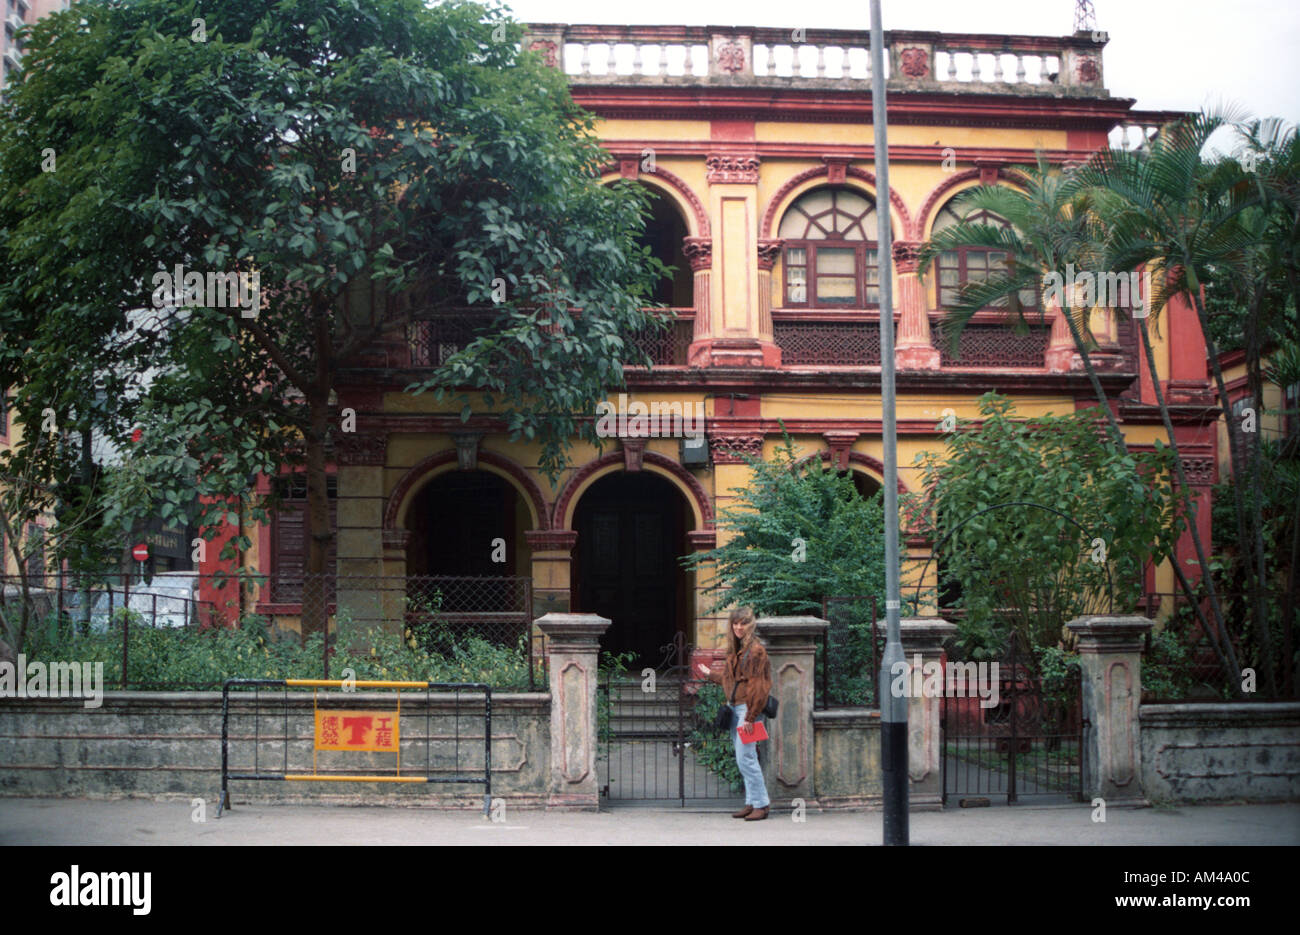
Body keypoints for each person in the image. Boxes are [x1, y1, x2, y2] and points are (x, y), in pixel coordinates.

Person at [696, 606, 772, 821]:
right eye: (735, 623)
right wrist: (710, 674)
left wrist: (750, 717)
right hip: (735, 708)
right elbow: (734, 680)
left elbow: (760, 686)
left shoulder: (755, 651)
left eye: (743, 623)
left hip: (748, 710)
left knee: (746, 758)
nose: (738, 627)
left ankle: (762, 804)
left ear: (751, 624)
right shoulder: (739, 648)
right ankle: (751, 802)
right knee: (745, 757)